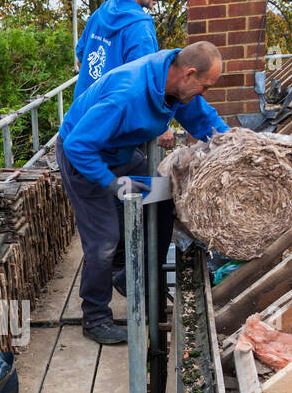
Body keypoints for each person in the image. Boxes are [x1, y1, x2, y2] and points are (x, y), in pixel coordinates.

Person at [56, 42, 228, 345]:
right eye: (205, 86)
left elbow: (204, 120)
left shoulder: (175, 86)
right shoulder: (127, 95)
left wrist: (234, 149)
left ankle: (134, 280)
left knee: (162, 197)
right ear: (189, 74)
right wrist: (111, 183)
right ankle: (95, 317)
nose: (205, 93)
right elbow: (78, 145)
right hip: (83, 158)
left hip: (119, 152)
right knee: (104, 240)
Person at [73, 0, 175, 98]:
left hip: (81, 112)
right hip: (111, 116)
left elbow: (81, 59)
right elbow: (142, 86)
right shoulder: (140, 27)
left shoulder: (100, 13)